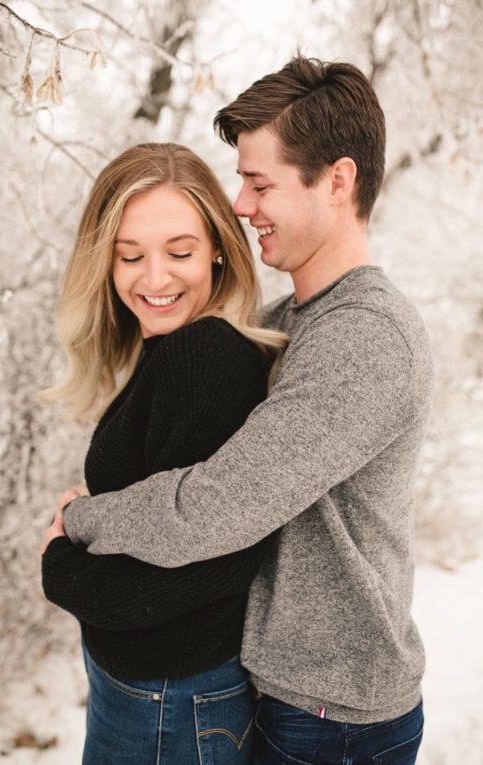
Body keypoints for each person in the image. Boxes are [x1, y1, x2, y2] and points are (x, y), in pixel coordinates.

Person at [59, 56, 432, 764]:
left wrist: (80, 523)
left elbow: (214, 508)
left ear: (338, 181)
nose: (239, 203)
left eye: (260, 183)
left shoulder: (364, 336)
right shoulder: (291, 317)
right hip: (289, 691)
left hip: (334, 713)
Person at [38, 142, 288, 764]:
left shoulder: (204, 356)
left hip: (172, 701)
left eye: (180, 252)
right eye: (130, 256)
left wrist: (59, 562)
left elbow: (215, 559)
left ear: (218, 248)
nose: (155, 278)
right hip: (155, 694)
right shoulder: (170, 348)